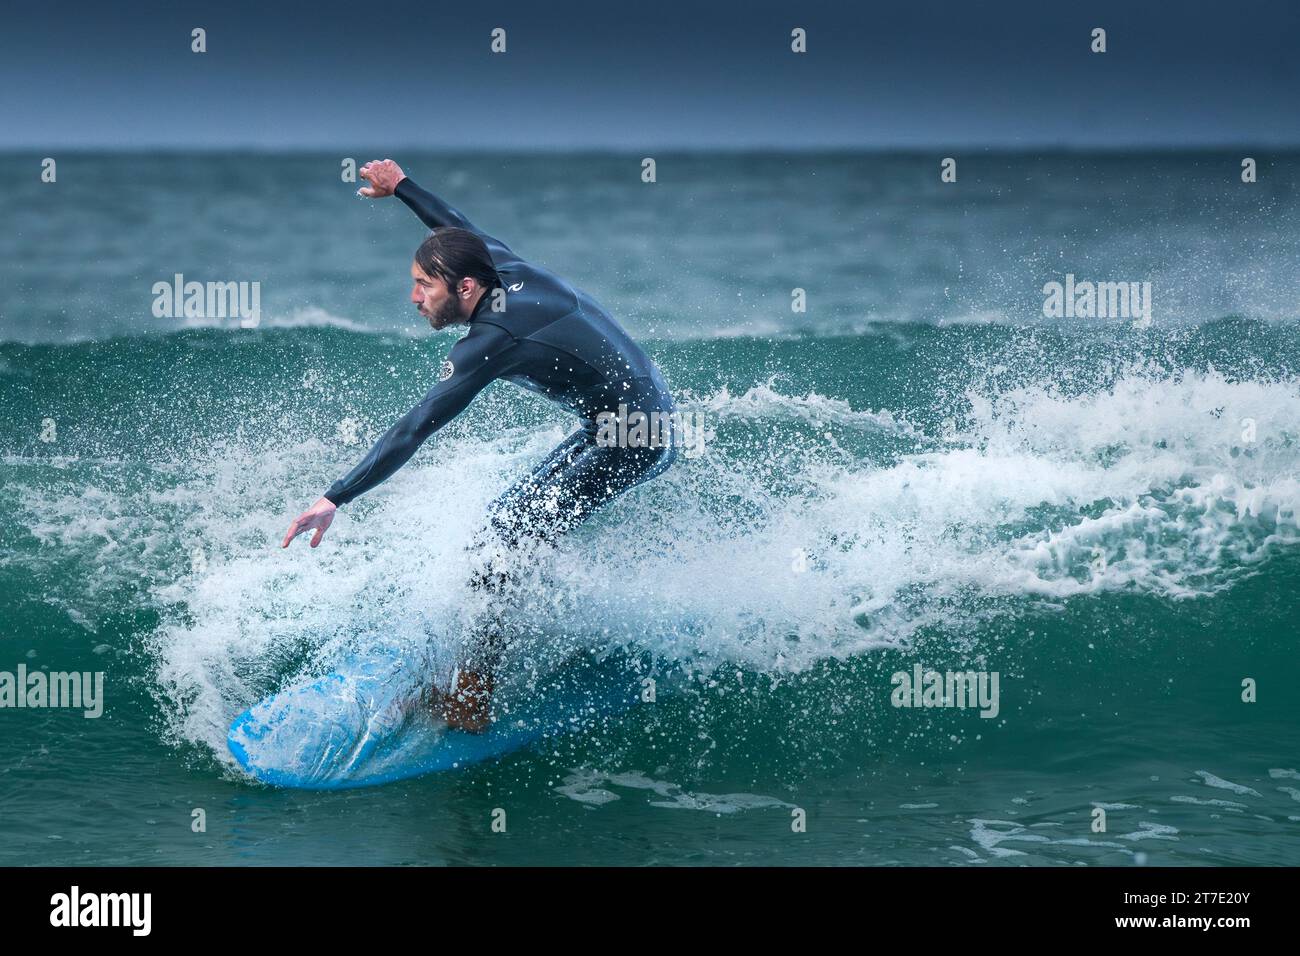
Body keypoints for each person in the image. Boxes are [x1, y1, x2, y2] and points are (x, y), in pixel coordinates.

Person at [281, 159, 678, 732]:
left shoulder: (495, 337)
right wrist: (401, 189)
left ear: (464, 288)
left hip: (633, 439)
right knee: (507, 532)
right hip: (628, 423)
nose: (414, 297)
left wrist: (335, 497)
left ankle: (471, 701)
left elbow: (417, 424)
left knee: (499, 542)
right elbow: (453, 224)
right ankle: (512, 644)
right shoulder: (497, 264)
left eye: (425, 286)